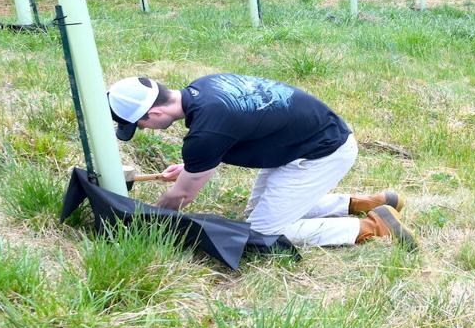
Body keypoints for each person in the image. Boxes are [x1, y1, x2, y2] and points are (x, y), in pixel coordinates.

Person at [105, 74, 416, 250]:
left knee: (260, 234)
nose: (143, 130)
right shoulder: (207, 87)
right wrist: (191, 169)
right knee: (256, 214)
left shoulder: (205, 133)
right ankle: (362, 203)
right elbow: (232, 130)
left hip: (321, 153)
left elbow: (182, 195)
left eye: (139, 125)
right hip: (303, 142)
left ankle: (371, 226)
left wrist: (154, 223)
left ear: (155, 113)